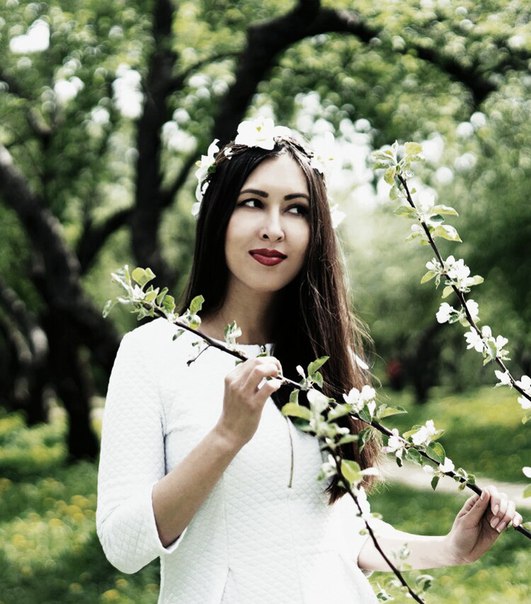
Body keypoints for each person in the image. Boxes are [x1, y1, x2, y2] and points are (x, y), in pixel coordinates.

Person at [96, 118, 523, 603]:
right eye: (252, 202)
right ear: (217, 215)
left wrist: (449, 549)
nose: (274, 229)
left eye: (296, 209)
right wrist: (225, 437)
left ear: (316, 230)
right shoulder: (153, 353)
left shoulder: (321, 357)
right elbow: (123, 545)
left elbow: (337, 533)